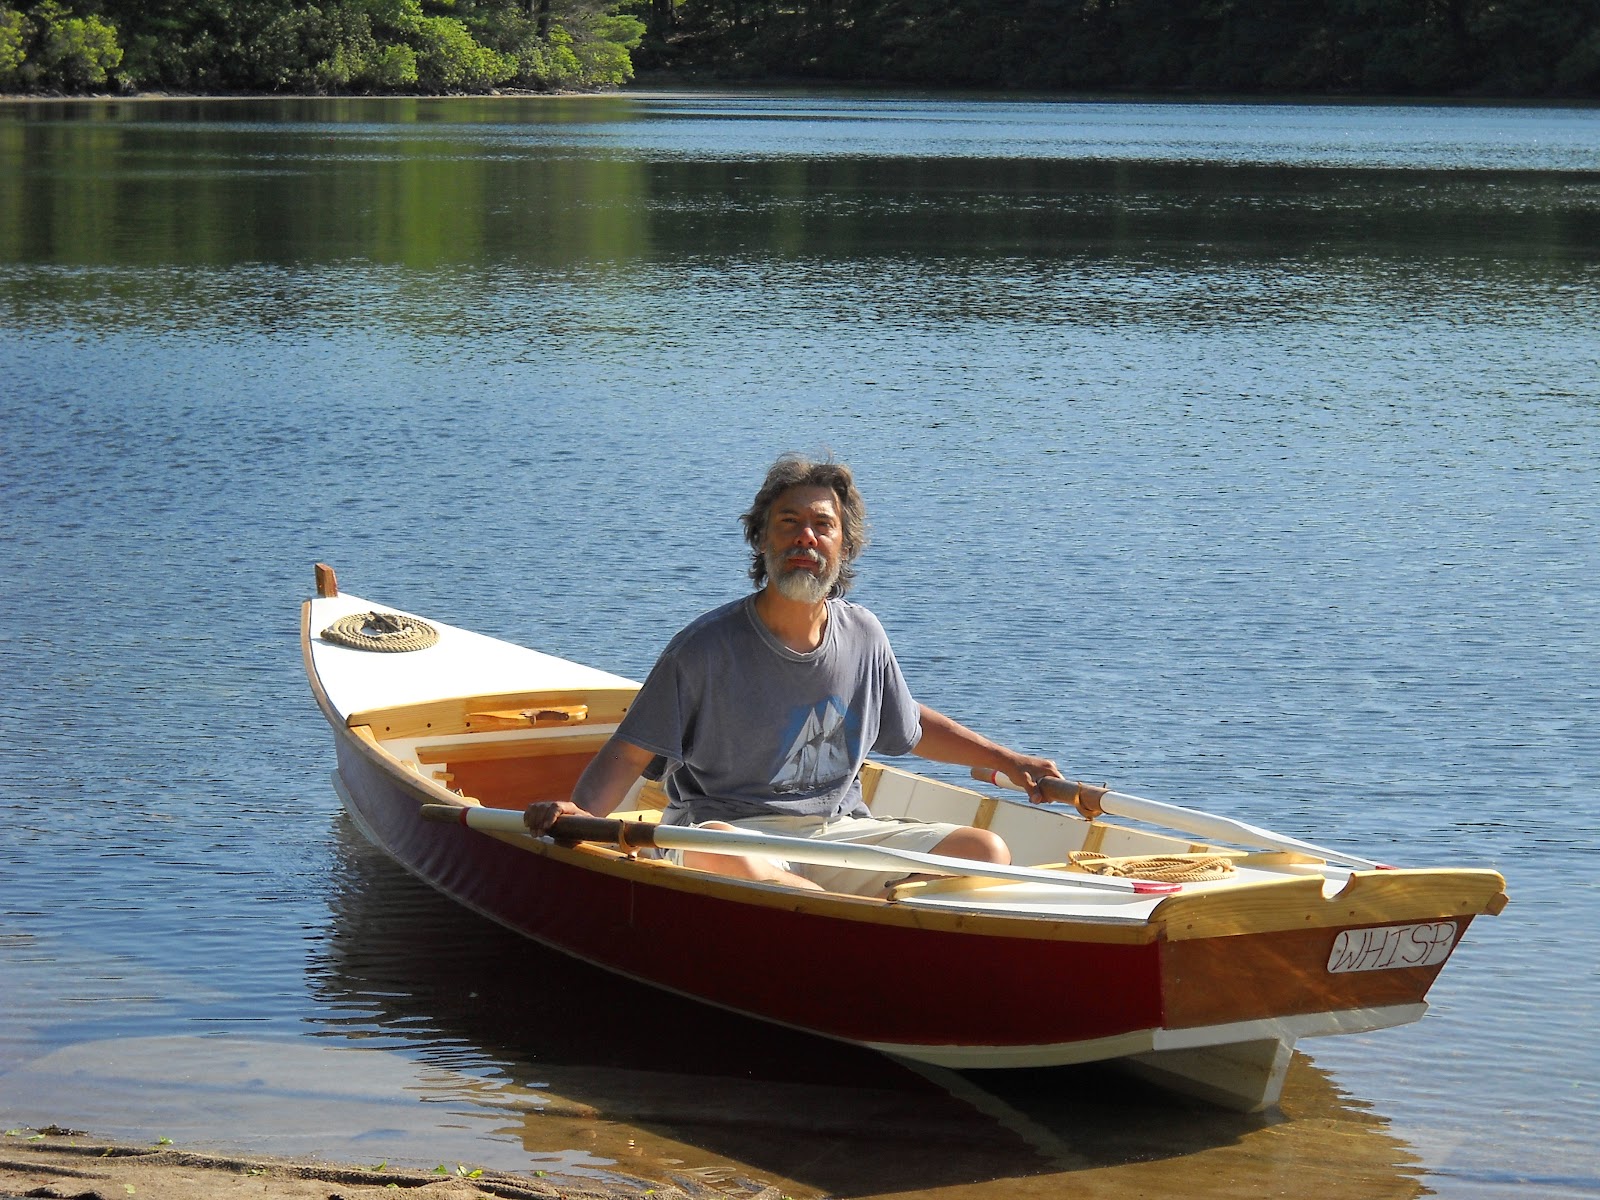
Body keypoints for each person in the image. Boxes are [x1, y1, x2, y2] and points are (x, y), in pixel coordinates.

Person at [523, 453, 1064, 895]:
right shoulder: (704, 649)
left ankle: (860, 911)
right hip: (732, 834)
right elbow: (630, 753)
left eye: (822, 526)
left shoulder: (865, 635)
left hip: (837, 833)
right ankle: (850, 919)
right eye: (789, 523)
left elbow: (908, 724)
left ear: (843, 546)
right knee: (716, 846)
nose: (806, 537)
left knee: (986, 851)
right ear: (762, 540)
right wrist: (581, 814)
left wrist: (1008, 761)